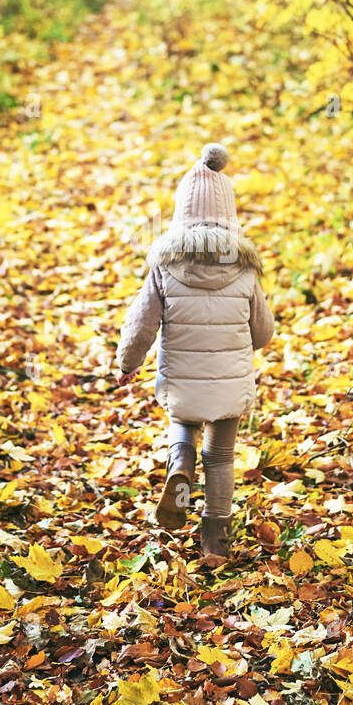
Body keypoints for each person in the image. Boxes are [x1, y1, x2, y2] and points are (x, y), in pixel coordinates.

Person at [116, 143, 274, 558]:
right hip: (230, 386)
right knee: (220, 456)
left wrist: (127, 365)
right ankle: (215, 540)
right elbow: (263, 333)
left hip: (182, 381)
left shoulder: (164, 268)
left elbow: (140, 326)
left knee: (182, 421)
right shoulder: (245, 270)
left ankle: (180, 465)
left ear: (180, 215)